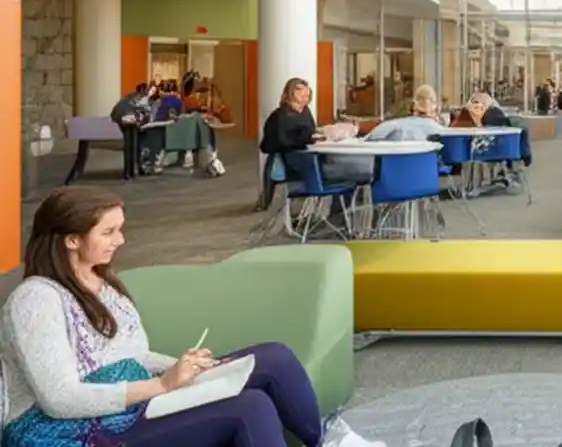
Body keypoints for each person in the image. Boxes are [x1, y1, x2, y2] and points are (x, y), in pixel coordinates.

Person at [0, 186, 382, 446]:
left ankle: (329, 440)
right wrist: (164, 385)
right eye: (109, 231)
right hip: (64, 432)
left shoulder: (104, 283)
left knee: (273, 357)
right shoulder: (35, 300)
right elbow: (60, 399)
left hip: (129, 406)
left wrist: (189, 369)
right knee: (250, 408)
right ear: (71, 239)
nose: (121, 240)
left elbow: (133, 355)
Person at [323, 85, 444, 183]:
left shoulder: (394, 125)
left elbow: (368, 140)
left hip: (382, 172)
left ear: (413, 106)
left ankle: (341, 211)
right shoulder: (439, 131)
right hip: (422, 178)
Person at [259, 78, 323, 178]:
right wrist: (305, 138)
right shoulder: (280, 116)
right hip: (291, 158)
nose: (305, 93)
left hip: (307, 153)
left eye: (306, 90)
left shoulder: (306, 112)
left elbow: (311, 131)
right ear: (291, 92)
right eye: (299, 89)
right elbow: (279, 141)